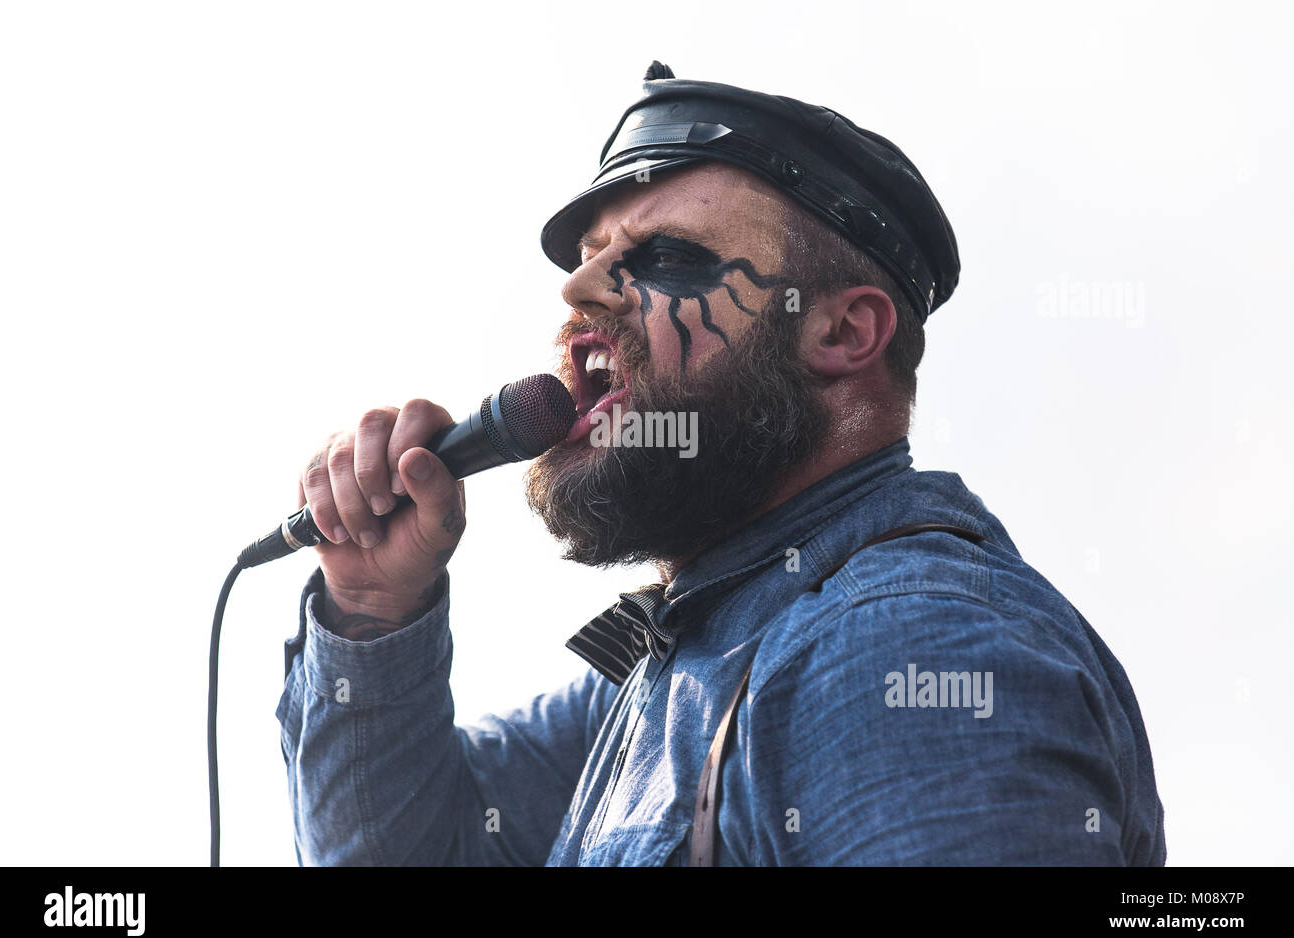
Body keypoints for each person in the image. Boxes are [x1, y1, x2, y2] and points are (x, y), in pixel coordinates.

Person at [275, 62, 1167, 865]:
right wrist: (372, 606)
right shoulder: (666, 683)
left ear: (842, 333)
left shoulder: (893, 653)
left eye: (662, 256)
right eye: (590, 261)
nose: (580, 291)